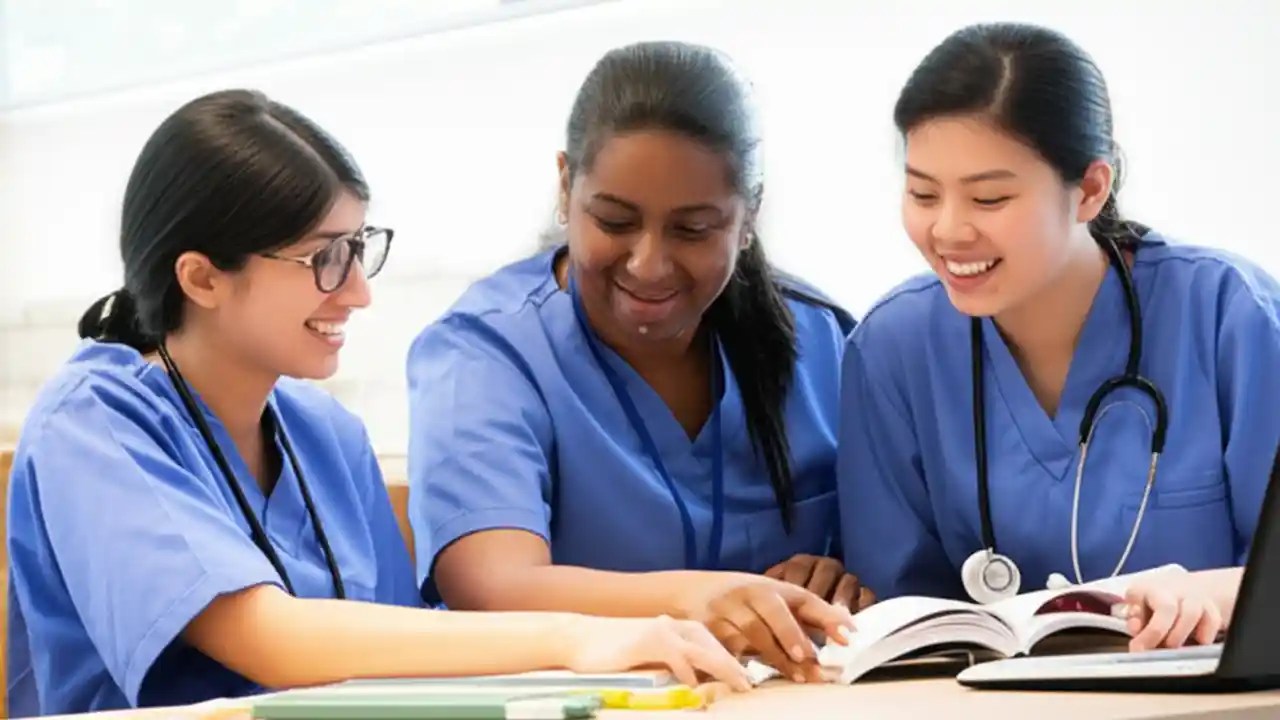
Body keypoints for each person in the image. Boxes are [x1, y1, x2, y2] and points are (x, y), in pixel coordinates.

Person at [5, 89, 752, 718]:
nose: (359, 290)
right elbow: (266, 636)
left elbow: (402, 653)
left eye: (360, 248)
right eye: (326, 258)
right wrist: (580, 636)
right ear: (202, 278)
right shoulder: (93, 422)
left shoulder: (325, 434)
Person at [406, 41, 861, 682]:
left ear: (748, 215)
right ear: (566, 186)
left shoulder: (823, 340)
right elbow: (489, 585)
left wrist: (836, 580)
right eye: (615, 221)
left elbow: (884, 555)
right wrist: (693, 598)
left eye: (693, 230)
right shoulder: (486, 354)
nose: (649, 263)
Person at [837, 23, 1280, 604]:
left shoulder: (1227, 314)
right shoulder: (892, 348)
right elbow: (898, 612)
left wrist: (1213, 596)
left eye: (989, 198)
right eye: (923, 194)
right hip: (977, 696)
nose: (947, 230)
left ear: (1091, 190)